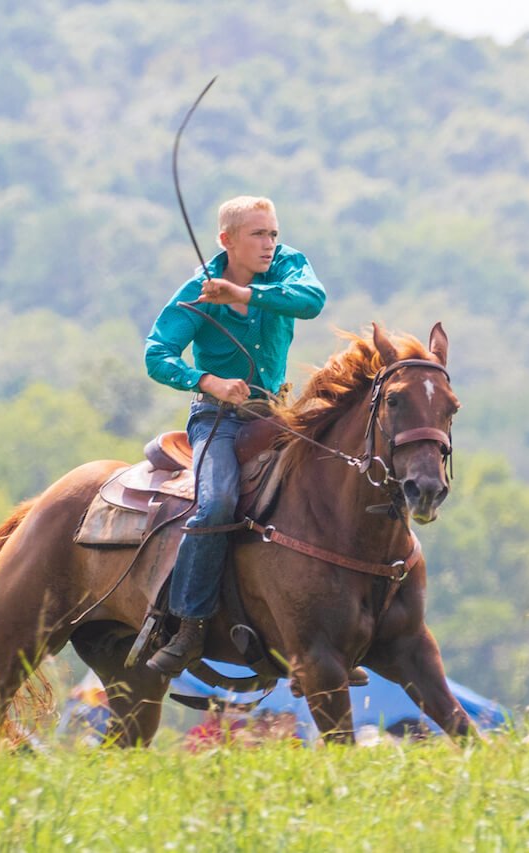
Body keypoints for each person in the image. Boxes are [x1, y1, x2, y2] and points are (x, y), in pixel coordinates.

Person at [144, 196, 326, 676]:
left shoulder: (286, 265)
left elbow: (312, 301)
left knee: (332, 487)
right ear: (227, 240)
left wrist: (244, 294)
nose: (269, 244)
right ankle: (187, 627)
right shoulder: (196, 291)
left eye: (273, 233)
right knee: (218, 502)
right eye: (258, 234)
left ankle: (332, 631)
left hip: (278, 414)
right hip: (217, 420)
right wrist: (207, 381)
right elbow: (156, 354)